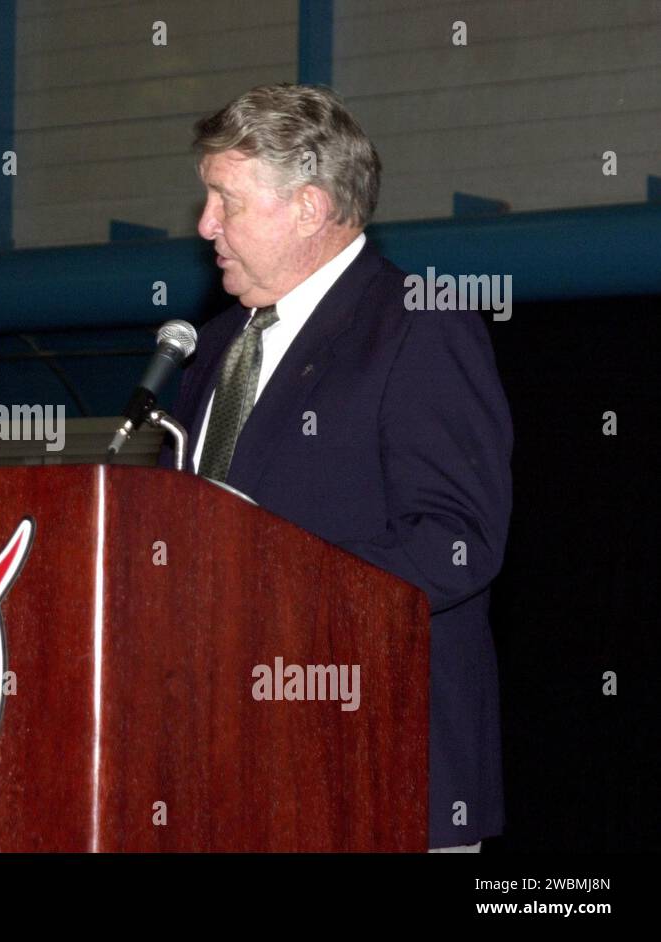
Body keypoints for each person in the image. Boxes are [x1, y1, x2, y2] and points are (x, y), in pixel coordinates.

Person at [165, 84, 512, 851]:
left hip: (373, 775)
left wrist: (263, 590)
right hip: (228, 776)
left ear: (309, 209)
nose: (205, 225)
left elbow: (456, 544)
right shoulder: (213, 346)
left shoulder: (421, 323)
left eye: (227, 202)